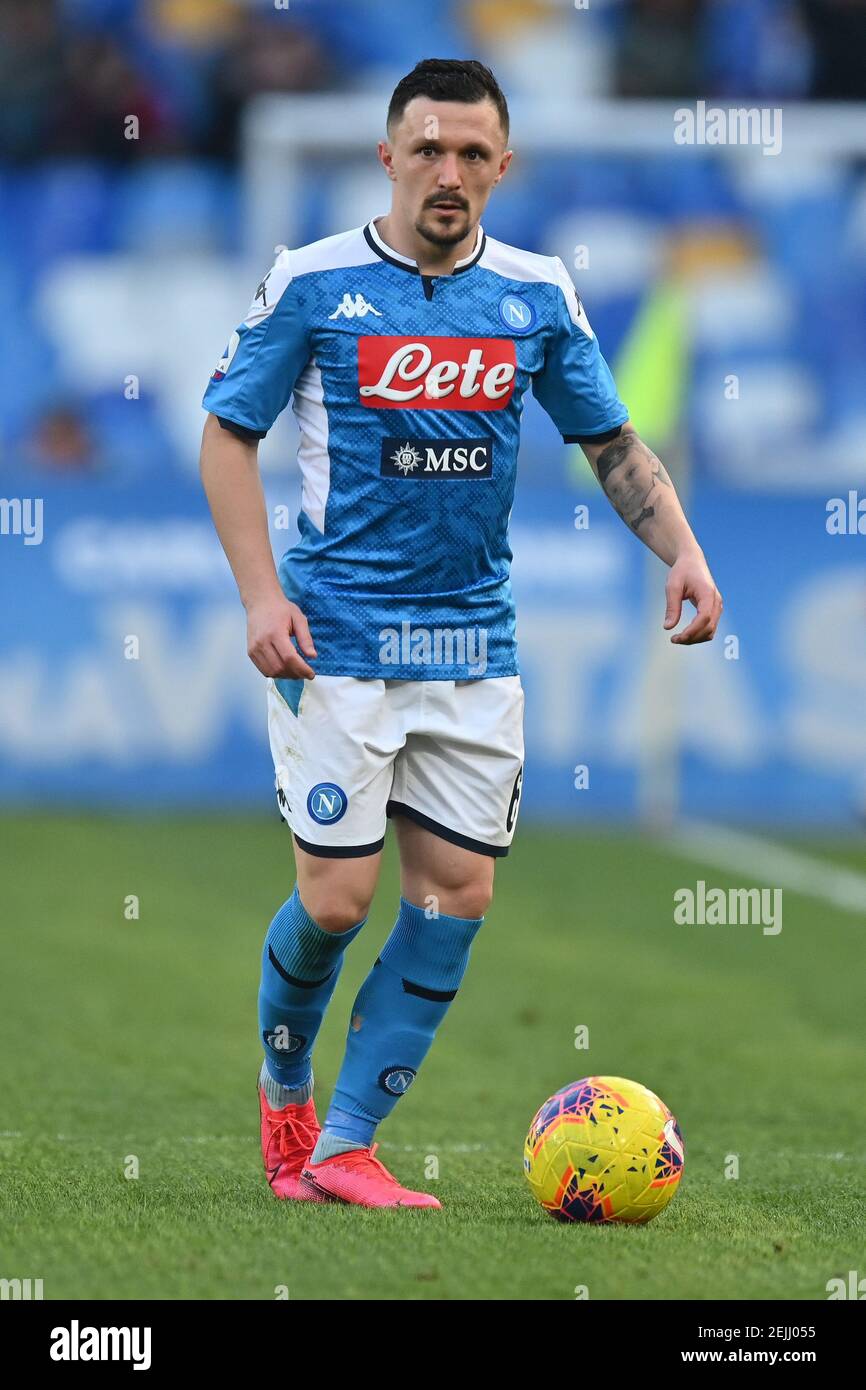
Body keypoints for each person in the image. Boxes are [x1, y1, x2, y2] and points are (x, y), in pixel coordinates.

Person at [199, 58, 722, 1210]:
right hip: (332, 641)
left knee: (453, 897)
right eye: (428, 149)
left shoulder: (535, 294)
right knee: (336, 901)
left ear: (501, 166)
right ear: (387, 155)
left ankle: (343, 1144)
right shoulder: (312, 281)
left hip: (470, 649)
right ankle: (284, 1082)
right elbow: (225, 436)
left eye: (472, 154)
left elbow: (611, 444)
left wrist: (679, 547)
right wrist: (257, 596)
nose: (449, 172)